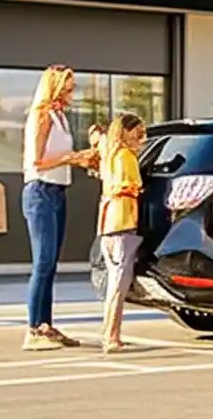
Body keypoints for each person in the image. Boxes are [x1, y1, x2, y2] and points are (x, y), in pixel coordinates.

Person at [20, 64, 89, 352]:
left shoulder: (61, 117)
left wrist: (81, 159)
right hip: (41, 192)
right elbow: (38, 161)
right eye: (67, 87)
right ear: (55, 87)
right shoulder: (42, 116)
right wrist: (71, 158)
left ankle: (45, 325)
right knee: (43, 262)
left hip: (58, 191)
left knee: (51, 264)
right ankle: (33, 328)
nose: (72, 92)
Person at [97, 113, 146, 354]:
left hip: (108, 223)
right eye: (139, 132)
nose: (142, 137)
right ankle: (111, 336)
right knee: (119, 283)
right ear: (127, 132)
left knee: (114, 282)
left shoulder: (109, 156)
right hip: (122, 221)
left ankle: (109, 333)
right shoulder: (125, 156)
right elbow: (130, 185)